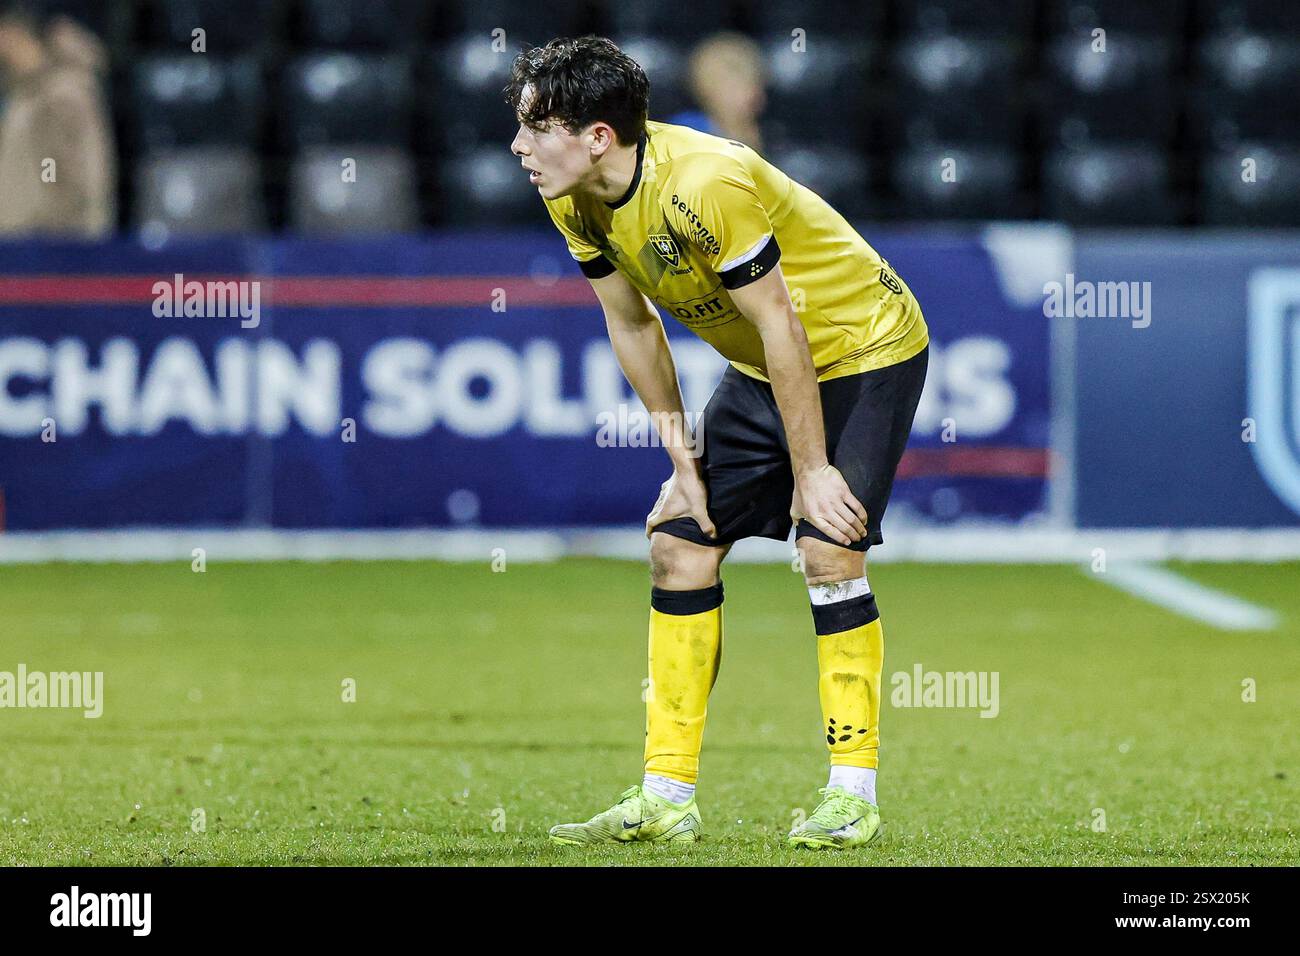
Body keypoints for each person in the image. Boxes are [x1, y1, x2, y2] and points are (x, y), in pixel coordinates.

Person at [507, 36, 928, 849]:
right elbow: (631, 322)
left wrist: (812, 474)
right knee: (679, 541)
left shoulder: (703, 181)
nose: (518, 147)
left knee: (829, 547)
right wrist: (681, 462)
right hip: (768, 363)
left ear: (597, 135)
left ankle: (852, 792)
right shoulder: (569, 192)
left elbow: (783, 323)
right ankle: (666, 797)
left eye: (535, 127)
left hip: (862, 343)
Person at [0, 4, 116, 237]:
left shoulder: (60, 94)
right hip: (27, 244)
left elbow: (62, 174)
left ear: (13, 35)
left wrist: (54, 237)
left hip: (50, 246)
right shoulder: (24, 93)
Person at [667, 31, 766, 151]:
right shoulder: (685, 131)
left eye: (755, 82)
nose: (752, 92)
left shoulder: (770, 130)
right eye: (734, 88)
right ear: (707, 90)